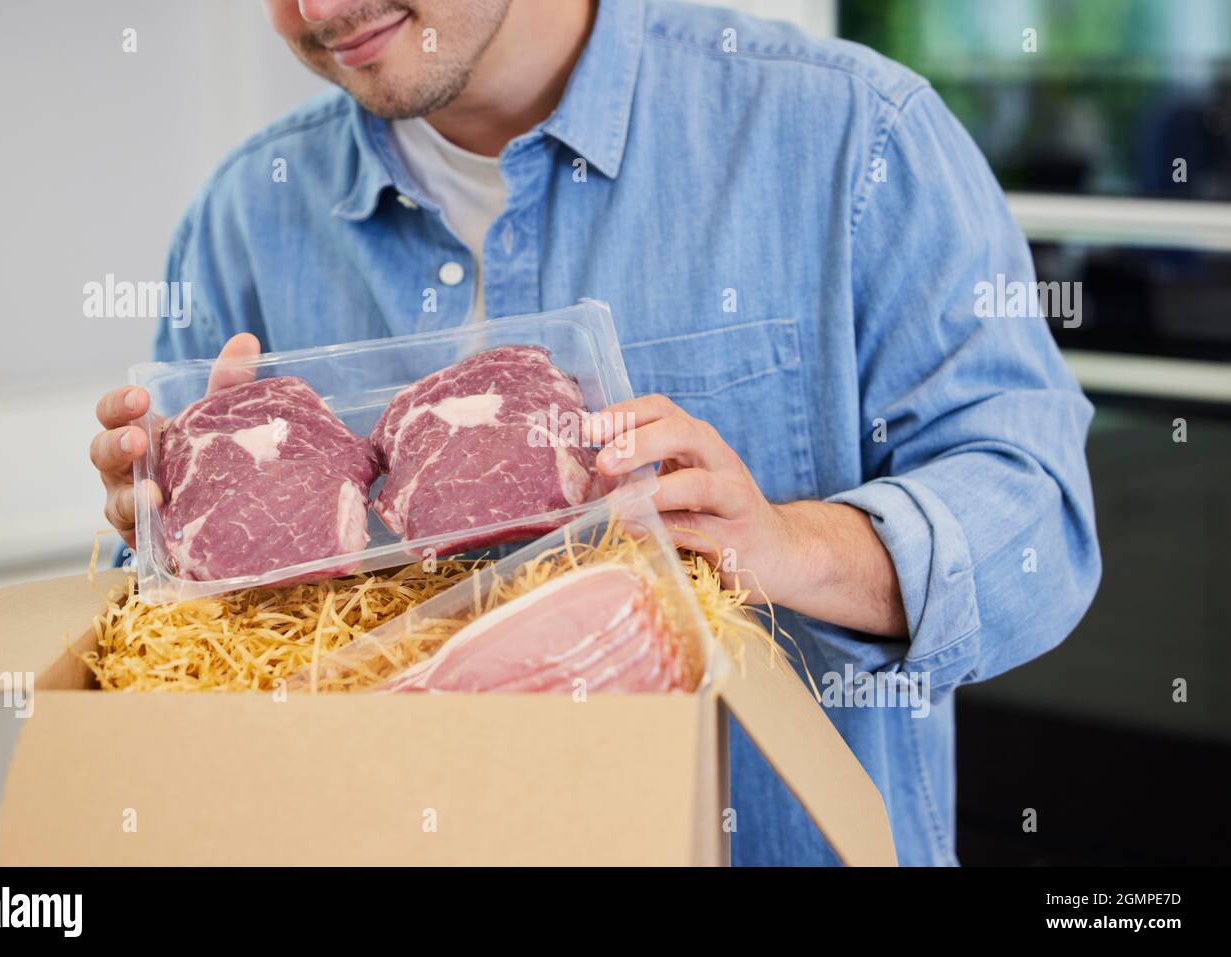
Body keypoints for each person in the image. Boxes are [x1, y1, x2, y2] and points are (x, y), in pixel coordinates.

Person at [89, 0, 1101, 866]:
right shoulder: (243, 215)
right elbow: (186, 633)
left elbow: (1039, 530)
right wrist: (163, 528)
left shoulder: (849, 134)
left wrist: (789, 547)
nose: (314, 13)